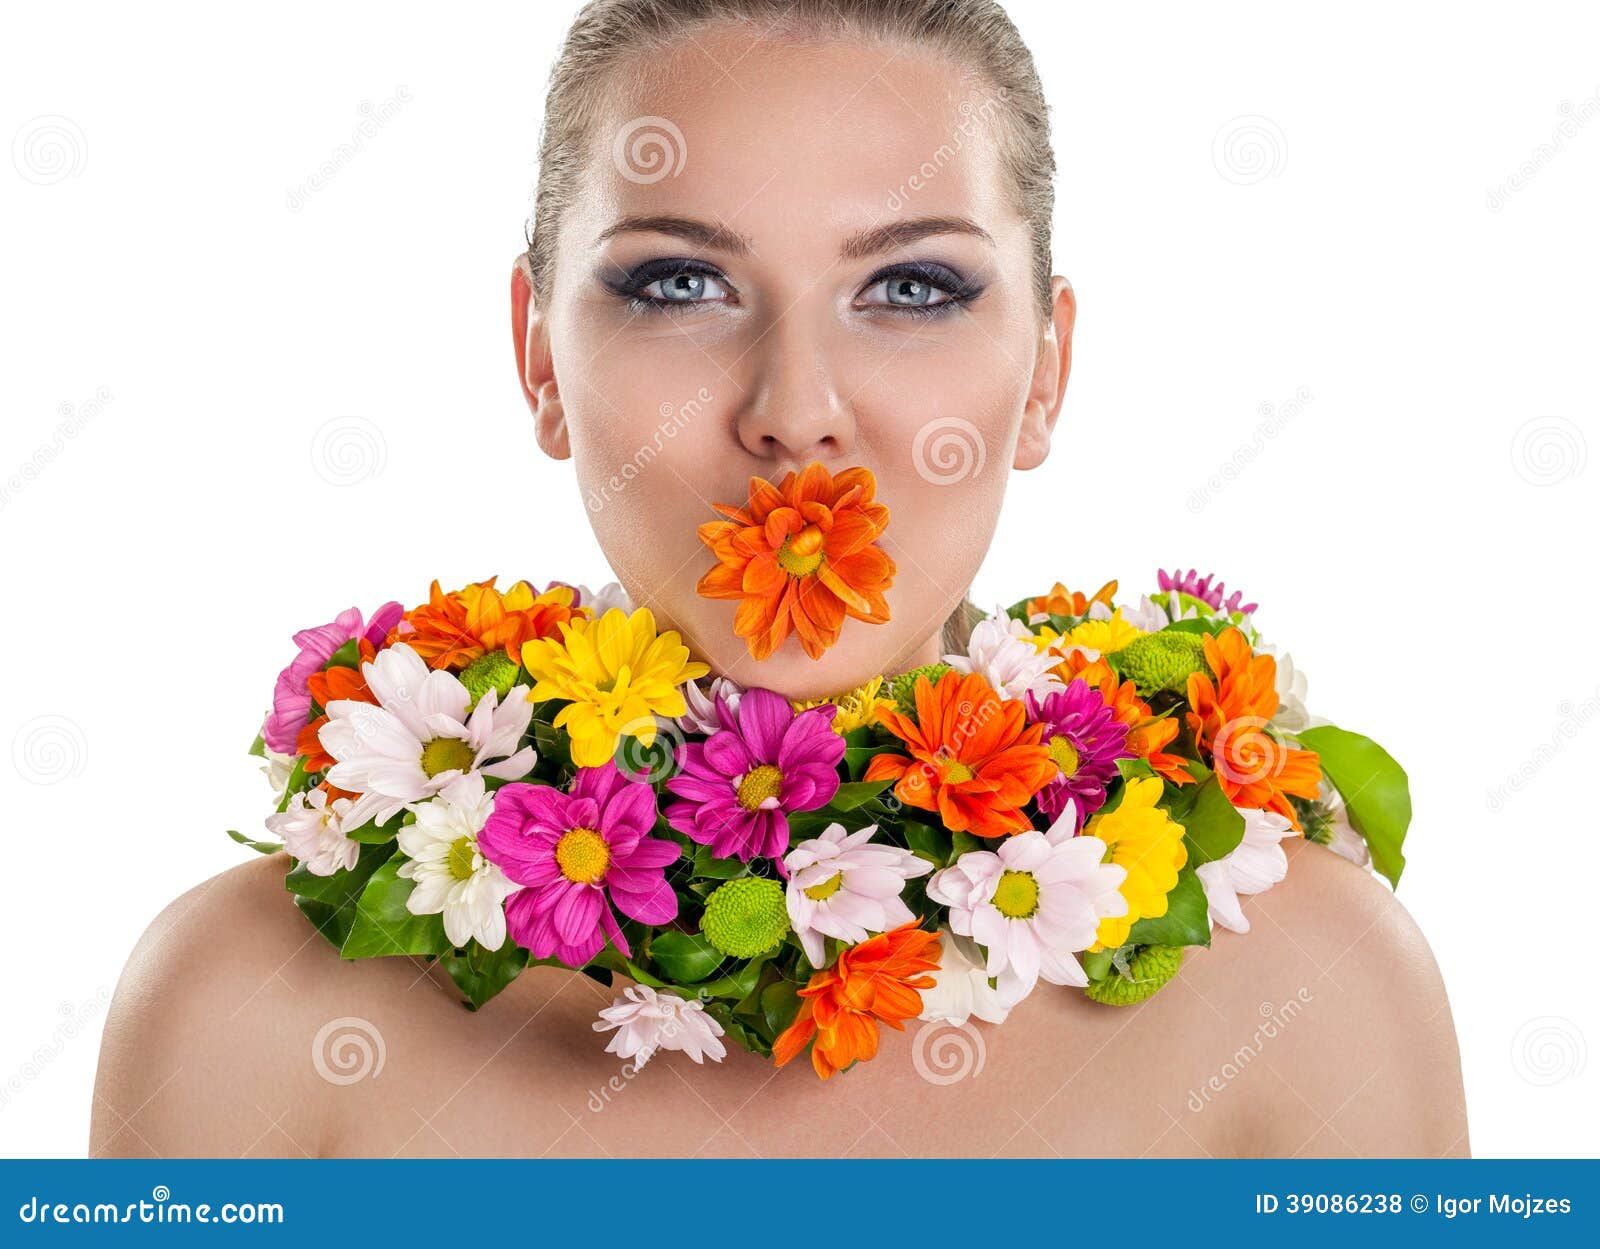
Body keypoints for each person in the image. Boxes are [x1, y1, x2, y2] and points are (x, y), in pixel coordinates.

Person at [90, 0, 1467, 1158]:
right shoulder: (245, 1009)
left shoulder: (1313, 989)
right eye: (679, 284)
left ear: (1046, 370)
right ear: (534, 355)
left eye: (914, 286)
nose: (795, 412)